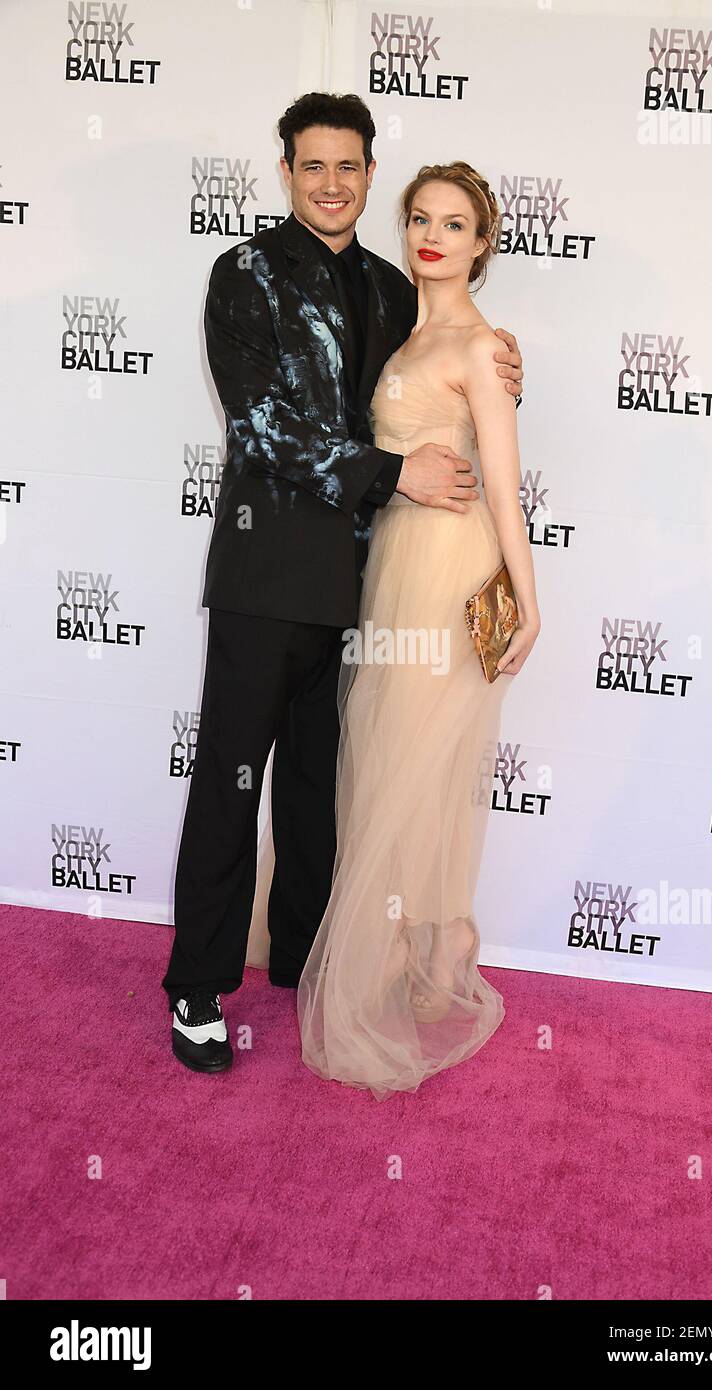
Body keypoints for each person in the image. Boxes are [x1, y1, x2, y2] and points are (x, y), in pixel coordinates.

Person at [163, 93, 524, 1073]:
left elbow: (430, 377)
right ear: (286, 171)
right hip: (265, 573)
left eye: (351, 168)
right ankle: (197, 982)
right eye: (313, 166)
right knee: (233, 783)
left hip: (369, 587)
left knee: (328, 791)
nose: (332, 183)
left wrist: (497, 361)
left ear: (369, 174)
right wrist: (392, 474)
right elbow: (266, 430)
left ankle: (302, 959)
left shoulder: (390, 287)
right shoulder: (242, 277)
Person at [297, 162, 541, 1101]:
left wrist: (527, 595)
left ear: (484, 244)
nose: (432, 235)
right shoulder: (404, 328)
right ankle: (424, 937)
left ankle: (445, 940)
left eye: (455, 223)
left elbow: (508, 486)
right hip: (395, 564)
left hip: (448, 573)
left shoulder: (483, 348)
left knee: (423, 759)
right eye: (419, 218)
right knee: (388, 753)